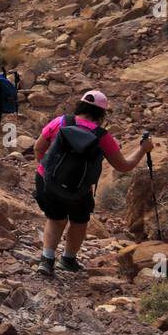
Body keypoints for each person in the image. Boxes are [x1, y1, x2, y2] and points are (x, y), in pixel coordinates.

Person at [33, 89, 152, 276]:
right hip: (80, 189)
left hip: (48, 181)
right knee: (79, 221)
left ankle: (46, 260)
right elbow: (124, 166)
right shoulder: (102, 136)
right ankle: (68, 260)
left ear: (80, 105)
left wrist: (47, 171)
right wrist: (143, 149)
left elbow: (38, 147)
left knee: (55, 219)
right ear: (101, 114)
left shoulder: (60, 122)